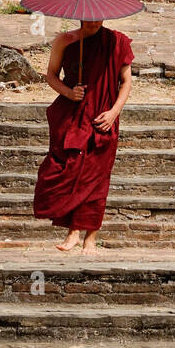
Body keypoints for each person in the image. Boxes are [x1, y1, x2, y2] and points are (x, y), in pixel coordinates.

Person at [32, 18, 134, 252]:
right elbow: (50, 75)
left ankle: (90, 237)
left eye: (97, 19)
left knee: (96, 177)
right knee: (68, 168)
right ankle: (73, 232)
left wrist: (113, 112)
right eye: (89, 19)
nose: (93, 23)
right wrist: (69, 92)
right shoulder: (65, 40)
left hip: (103, 118)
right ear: (80, 16)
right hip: (73, 115)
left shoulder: (116, 41)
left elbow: (126, 82)